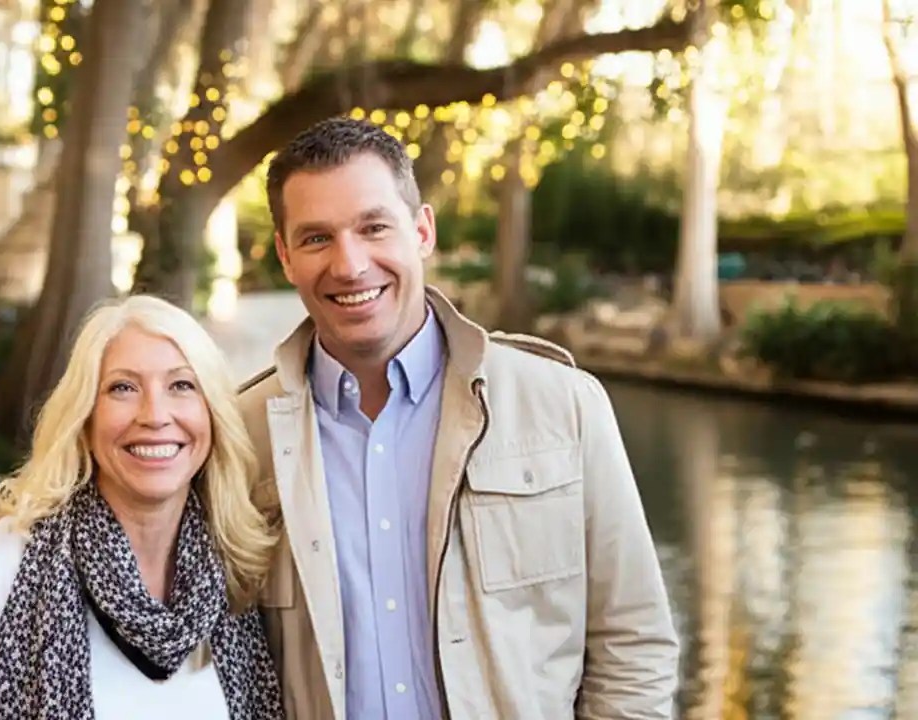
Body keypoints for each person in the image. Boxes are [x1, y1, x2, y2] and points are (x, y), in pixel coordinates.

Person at [241, 117, 679, 719]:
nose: (349, 265)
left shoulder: (562, 405)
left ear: (422, 231)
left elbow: (634, 642)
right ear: (286, 257)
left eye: (374, 227)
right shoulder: (239, 436)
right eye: (317, 238)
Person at [0, 295, 284, 720]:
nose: (155, 415)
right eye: (123, 388)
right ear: (85, 417)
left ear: (213, 414)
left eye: (181, 385)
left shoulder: (235, 572)